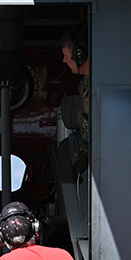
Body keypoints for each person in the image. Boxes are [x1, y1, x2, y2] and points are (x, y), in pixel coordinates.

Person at [58, 26, 91, 181]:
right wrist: (84, 155)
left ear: (80, 56)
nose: (64, 60)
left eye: (66, 56)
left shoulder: (100, 86)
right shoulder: (86, 84)